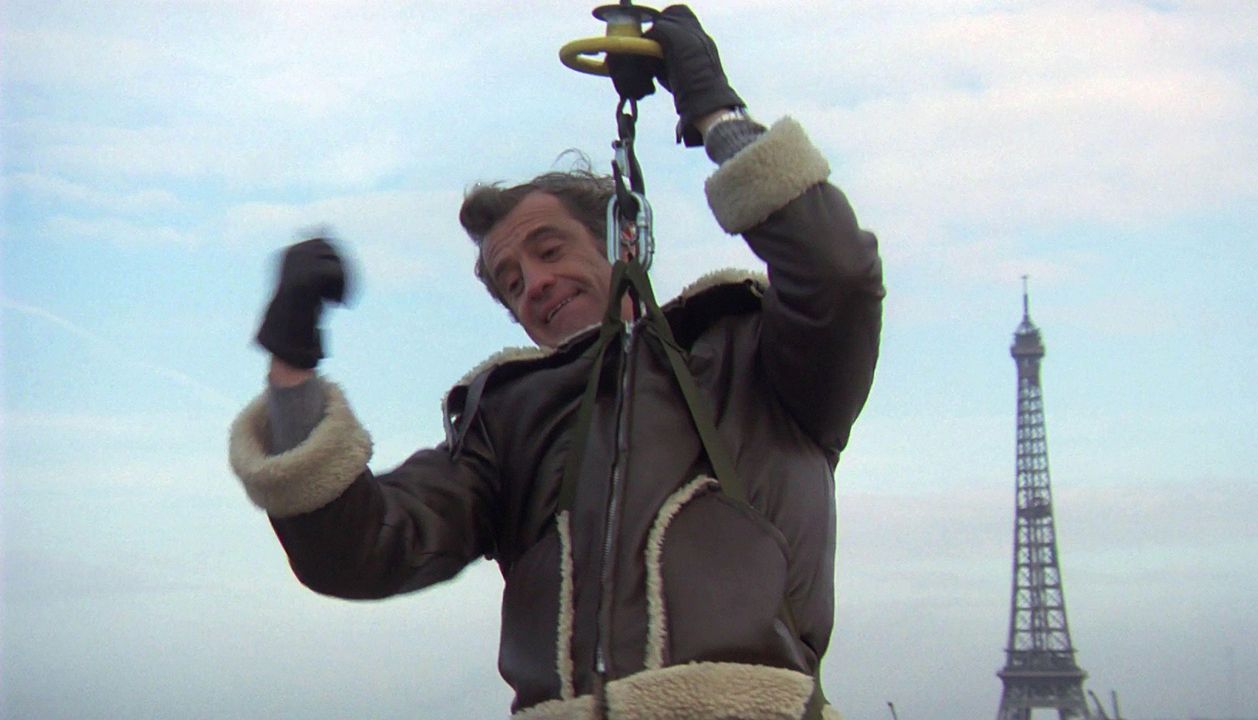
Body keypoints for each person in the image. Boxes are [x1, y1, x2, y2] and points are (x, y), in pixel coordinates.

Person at [228, 6, 883, 719]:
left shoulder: (754, 357)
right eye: (511, 281)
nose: (534, 284)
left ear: (621, 242)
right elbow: (364, 548)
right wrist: (291, 367)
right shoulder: (505, 421)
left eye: (549, 251)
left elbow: (837, 272)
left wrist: (716, 114)